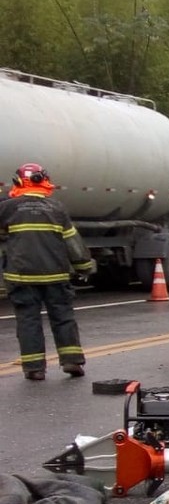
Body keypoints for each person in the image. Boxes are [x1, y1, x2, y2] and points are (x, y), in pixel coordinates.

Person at [0, 162, 95, 380]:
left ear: (17, 182)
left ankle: (34, 368)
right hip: (56, 275)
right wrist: (84, 266)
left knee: (28, 320)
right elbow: (73, 242)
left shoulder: (7, 208)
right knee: (63, 317)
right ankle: (72, 361)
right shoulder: (57, 208)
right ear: (43, 180)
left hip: (21, 277)